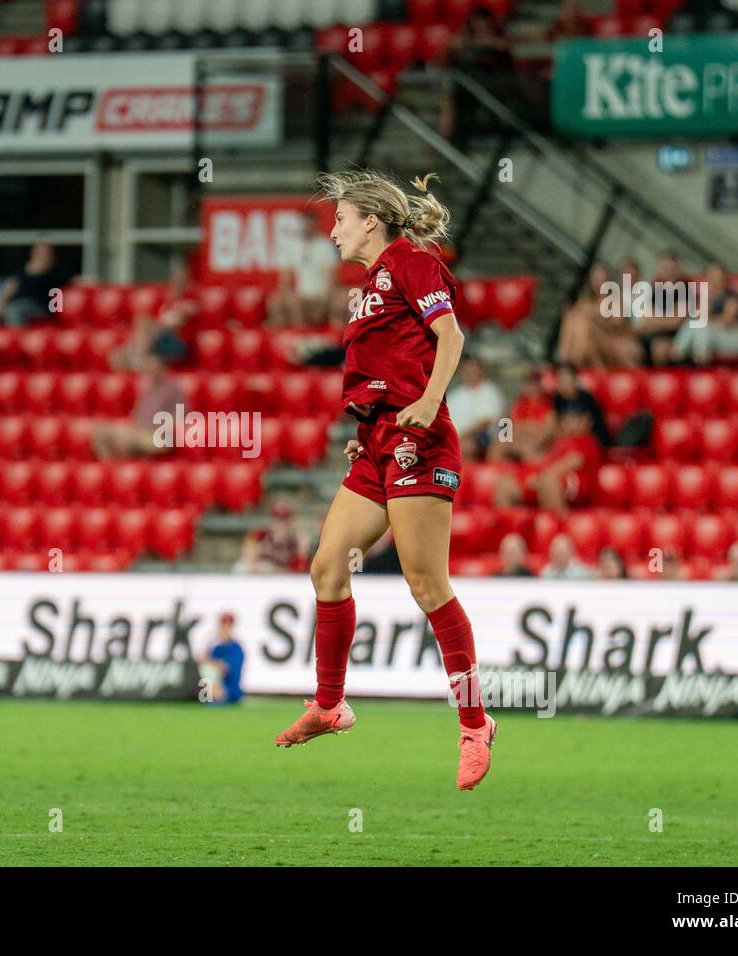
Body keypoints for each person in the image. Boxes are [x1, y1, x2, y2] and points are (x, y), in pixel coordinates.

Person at [271, 169, 497, 792]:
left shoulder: (409, 260)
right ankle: (329, 704)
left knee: (426, 583)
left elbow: (450, 336)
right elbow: (387, 359)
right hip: (377, 440)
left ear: (370, 219)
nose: (334, 231)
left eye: (340, 219)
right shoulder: (371, 284)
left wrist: (427, 401)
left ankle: (476, 723)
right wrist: (369, 418)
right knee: (326, 566)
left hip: (418, 440)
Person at [90, 354, 185, 459]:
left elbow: (181, 415)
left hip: (157, 435)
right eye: (149, 369)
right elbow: (136, 414)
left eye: (155, 368)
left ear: (163, 368)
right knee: (100, 431)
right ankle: (109, 468)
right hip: (138, 430)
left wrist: (162, 426)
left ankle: (121, 468)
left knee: (127, 441)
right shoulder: (147, 389)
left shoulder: (173, 389)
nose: (152, 372)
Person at [266, 211, 344, 328]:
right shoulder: (293, 246)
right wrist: (285, 294)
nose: (305, 227)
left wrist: (327, 299)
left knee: (295, 304)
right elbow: (285, 279)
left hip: (318, 295)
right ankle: (279, 339)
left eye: (308, 224)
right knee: (274, 302)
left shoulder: (325, 246)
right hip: (299, 295)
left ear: (315, 225)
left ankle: (301, 334)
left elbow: (331, 276)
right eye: (303, 224)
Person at [672, 262, 738, 366]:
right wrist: (708, 297)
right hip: (711, 337)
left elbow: (727, 321)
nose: (714, 281)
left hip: (734, 338)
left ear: (725, 279)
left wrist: (706, 321)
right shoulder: (705, 297)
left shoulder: (732, 296)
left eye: (717, 277)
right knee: (694, 323)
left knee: (701, 328)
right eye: (711, 277)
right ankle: (682, 355)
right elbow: (699, 318)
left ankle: (682, 355)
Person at [0, 242, 66, 327]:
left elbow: (67, 283)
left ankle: (16, 338)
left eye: (44, 252)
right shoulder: (23, 271)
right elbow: (10, 286)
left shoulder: (54, 272)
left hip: (40, 308)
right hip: (16, 303)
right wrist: (1, 303)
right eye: (38, 252)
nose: (40, 255)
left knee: (14, 310)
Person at [447, 357, 505, 460]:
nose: (470, 373)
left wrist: (459, 437)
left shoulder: (489, 391)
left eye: (473, 370)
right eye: (467, 370)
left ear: (481, 371)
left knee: (465, 445)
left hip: (481, 437)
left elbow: (484, 423)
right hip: (454, 436)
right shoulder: (455, 394)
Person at [234, 499, 312, 573]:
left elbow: (299, 570)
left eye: (283, 519)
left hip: (282, 580)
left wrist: (302, 551)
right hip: (259, 575)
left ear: (290, 521)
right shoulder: (261, 534)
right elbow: (248, 553)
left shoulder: (295, 541)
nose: (279, 523)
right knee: (240, 567)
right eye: (276, 518)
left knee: (267, 568)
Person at [200, 612, 246, 705]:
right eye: (222, 627)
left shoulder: (236, 649)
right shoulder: (218, 648)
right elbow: (201, 661)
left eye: (227, 627)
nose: (224, 630)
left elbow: (225, 668)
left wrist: (210, 662)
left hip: (229, 691)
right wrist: (207, 641)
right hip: (213, 690)